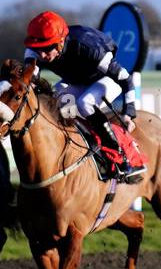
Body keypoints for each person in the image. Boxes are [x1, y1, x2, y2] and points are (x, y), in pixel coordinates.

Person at [23, 10, 145, 182]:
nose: (42, 55)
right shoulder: (33, 52)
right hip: (78, 81)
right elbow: (30, 81)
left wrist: (129, 112)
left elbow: (126, 79)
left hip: (107, 80)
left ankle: (119, 155)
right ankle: (77, 144)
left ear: (60, 41)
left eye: (47, 48)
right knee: (57, 100)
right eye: (38, 49)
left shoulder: (88, 47)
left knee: (85, 103)